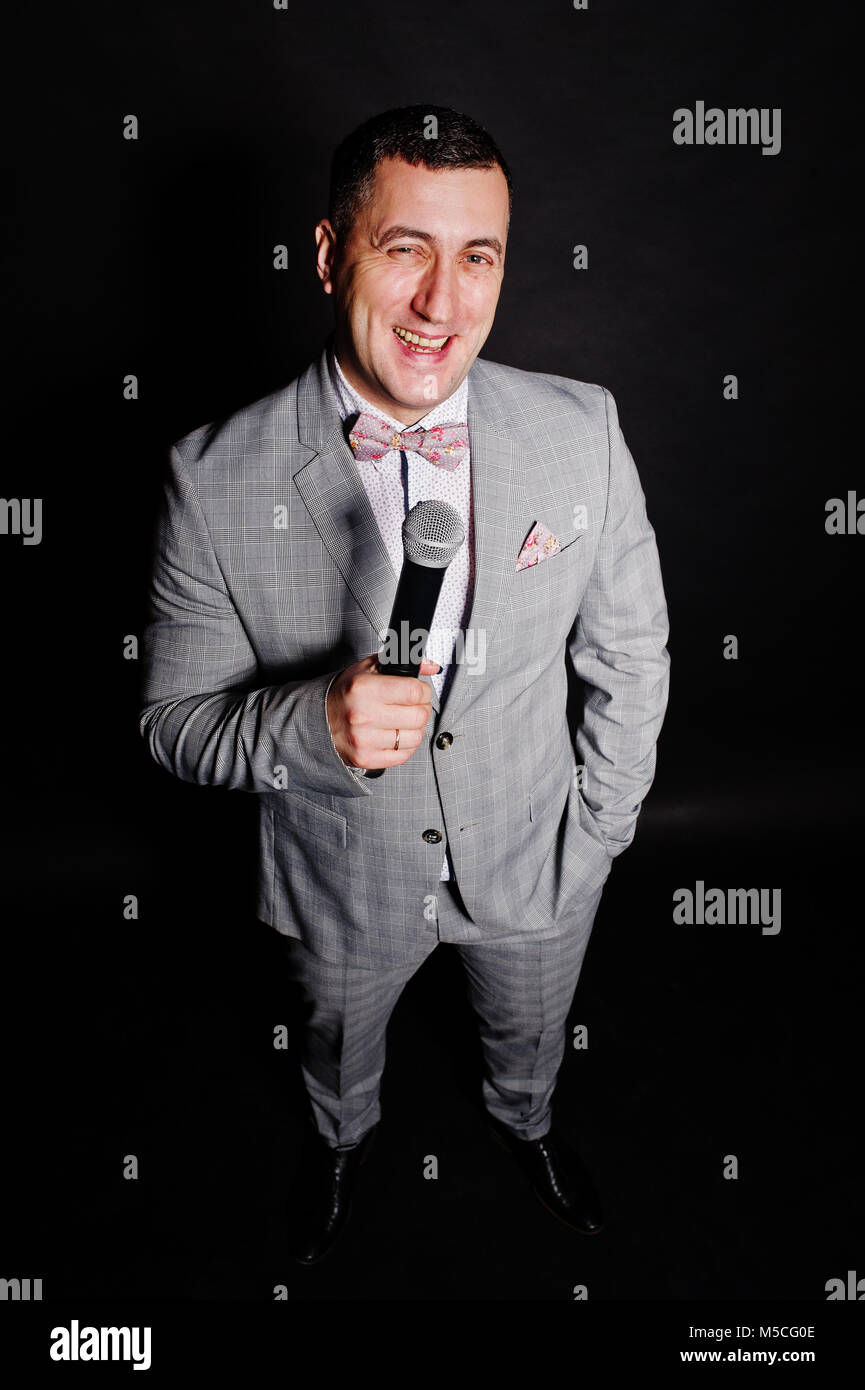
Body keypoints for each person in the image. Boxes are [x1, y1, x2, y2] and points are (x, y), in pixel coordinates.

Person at [139, 104, 671, 1265]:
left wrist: (599, 832)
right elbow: (172, 722)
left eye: (476, 256)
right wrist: (310, 724)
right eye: (404, 249)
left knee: (530, 1037)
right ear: (331, 255)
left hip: (541, 857)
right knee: (336, 1053)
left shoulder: (583, 430)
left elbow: (630, 656)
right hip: (341, 877)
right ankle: (342, 1141)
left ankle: (524, 1121)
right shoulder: (207, 476)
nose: (443, 302)